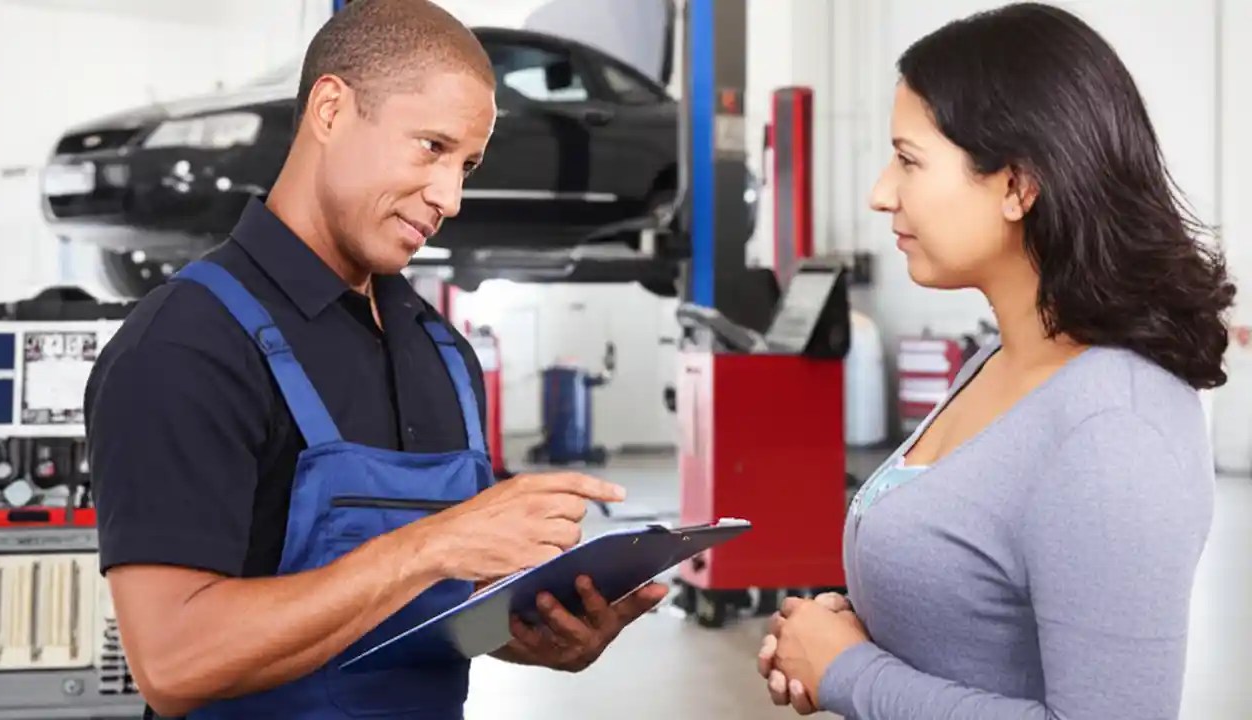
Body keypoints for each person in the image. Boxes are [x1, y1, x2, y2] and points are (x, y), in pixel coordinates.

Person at [83, 2, 666, 718]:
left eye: (468, 165)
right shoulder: (184, 346)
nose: (450, 197)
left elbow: (426, 615)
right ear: (330, 110)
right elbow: (173, 662)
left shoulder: (441, 352)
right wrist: (436, 544)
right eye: (430, 147)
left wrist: (533, 632)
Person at [756, 3, 1235, 718]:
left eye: (909, 160)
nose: (881, 192)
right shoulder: (991, 363)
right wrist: (838, 633)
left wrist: (849, 673)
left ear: (1017, 186)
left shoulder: (1115, 431)